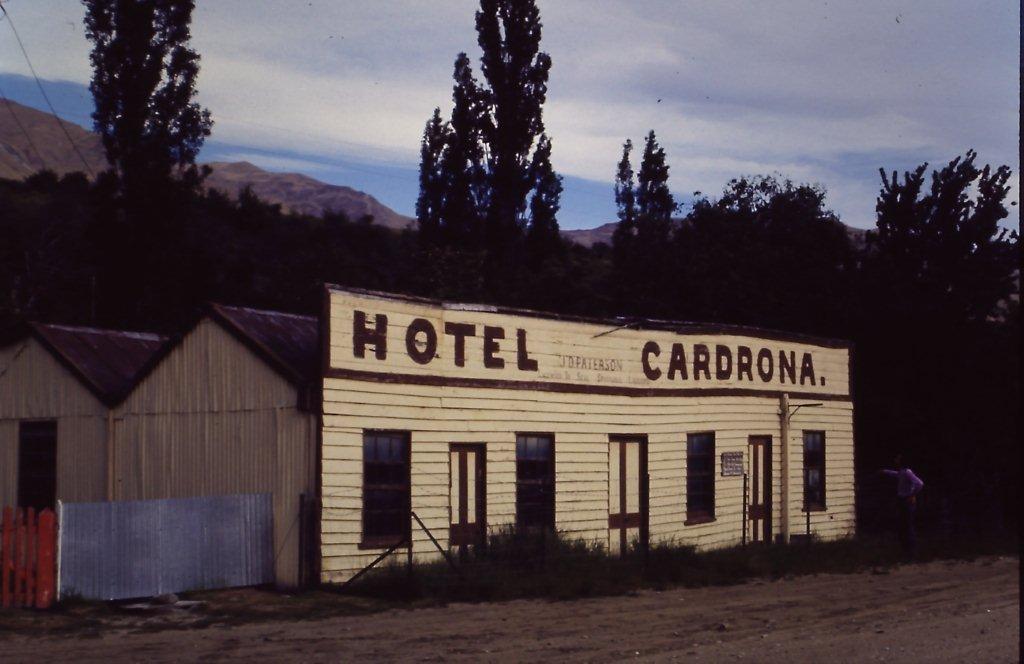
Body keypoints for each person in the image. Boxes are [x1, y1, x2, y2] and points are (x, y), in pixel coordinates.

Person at [880, 454, 924, 557]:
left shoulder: (907, 472)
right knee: (903, 524)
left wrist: (912, 494)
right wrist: (885, 471)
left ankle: (911, 550)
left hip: (906, 501)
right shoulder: (902, 472)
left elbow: (920, 483)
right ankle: (906, 549)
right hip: (902, 500)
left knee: (907, 525)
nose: (896, 460)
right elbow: (896, 474)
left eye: (898, 459)